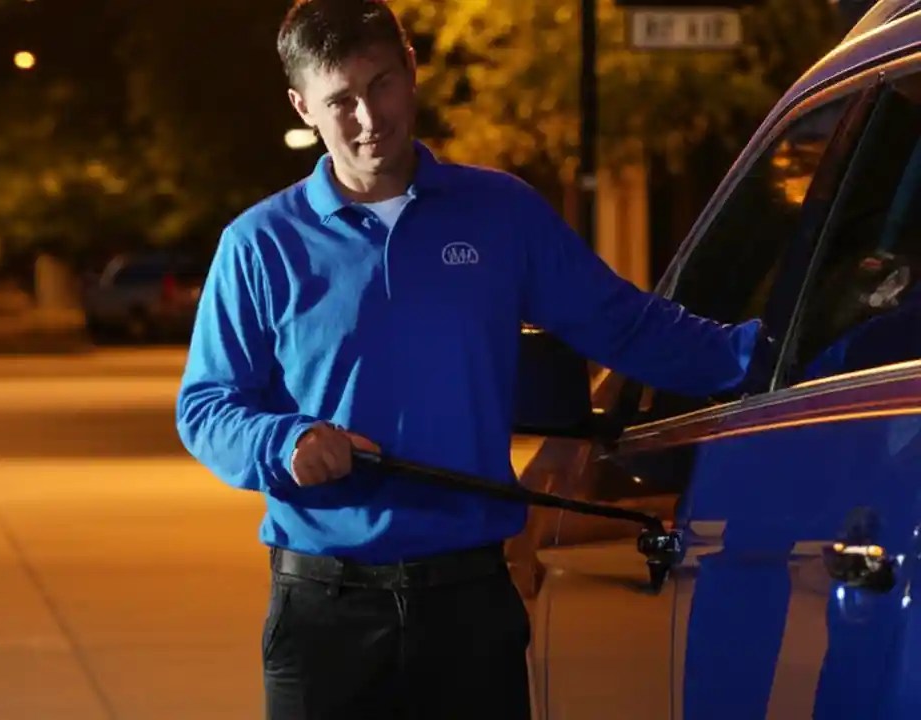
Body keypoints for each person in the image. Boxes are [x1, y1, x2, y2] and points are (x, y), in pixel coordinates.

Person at [174, 1, 765, 717]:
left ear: (412, 68)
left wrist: (766, 356)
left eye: (382, 84)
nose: (368, 118)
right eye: (340, 101)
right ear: (303, 105)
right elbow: (206, 406)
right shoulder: (260, 243)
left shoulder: (501, 213)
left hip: (470, 607)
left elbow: (625, 326)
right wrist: (283, 440)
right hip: (323, 612)